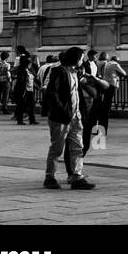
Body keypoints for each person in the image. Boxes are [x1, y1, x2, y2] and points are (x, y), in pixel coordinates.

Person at [42, 47, 96, 191]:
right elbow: (52, 94)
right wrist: (62, 110)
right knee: (57, 148)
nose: (83, 61)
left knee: (78, 147)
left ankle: (76, 176)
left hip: (76, 117)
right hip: (61, 117)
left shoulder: (74, 73)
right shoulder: (59, 72)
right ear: (75, 58)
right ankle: (50, 177)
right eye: (81, 58)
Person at [99, 55, 125, 131]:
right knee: (106, 108)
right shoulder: (115, 64)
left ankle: (101, 125)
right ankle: (103, 128)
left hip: (105, 85)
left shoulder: (106, 63)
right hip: (111, 86)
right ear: (116, 60)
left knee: (104, 106)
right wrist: (118, 73)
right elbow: (124, 73)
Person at [12, 53, 38, 125]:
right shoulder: (22, 71)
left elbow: (33, 80)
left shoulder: (28, 70)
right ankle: (20, 120)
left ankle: (32, 119)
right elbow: (21, 82)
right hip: (24, 91)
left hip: (30, 90)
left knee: (31, 105)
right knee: (21, 106)